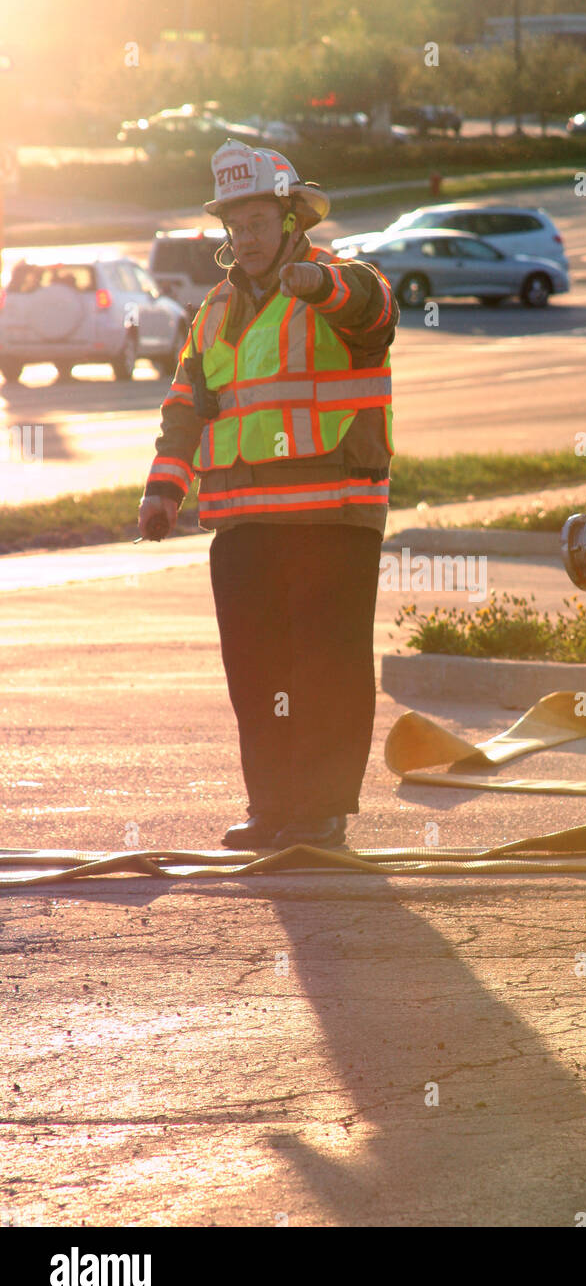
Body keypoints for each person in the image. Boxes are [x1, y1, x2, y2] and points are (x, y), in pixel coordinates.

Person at [138, 140, 398, 851]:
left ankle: (320, 812)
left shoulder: (340, 279)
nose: (244, 239)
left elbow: (377, 315)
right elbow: (186, 405)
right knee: (257, 672)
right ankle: (273, 808)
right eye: (235, 227)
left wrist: (317, 287)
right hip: (243, 522)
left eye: (257, 224)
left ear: (290, 220)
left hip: (332, 514)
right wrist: (164, 491)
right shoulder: (214, 310)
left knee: (325, 666)